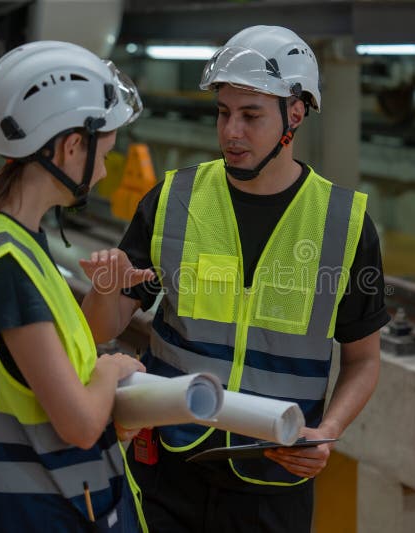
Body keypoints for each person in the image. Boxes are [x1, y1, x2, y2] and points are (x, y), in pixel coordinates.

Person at [81, 25, 389, 532]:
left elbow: (363, 359)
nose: (231, 132)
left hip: (272, 476)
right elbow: (98, 328)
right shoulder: (174, 201)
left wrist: (327, 431)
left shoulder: (344, 224)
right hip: (166, 467)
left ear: (295, 114)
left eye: (251, 116)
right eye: (224, 113)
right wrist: (106, 286)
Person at [0, 40, 154, 532]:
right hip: (34, 511)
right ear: (72, 146)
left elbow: (42, 383)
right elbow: (77, 424)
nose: (102, 171)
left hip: (38, 502)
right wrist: (110, 371)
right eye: (104, 154)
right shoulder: (5, 264)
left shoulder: (10, 238)